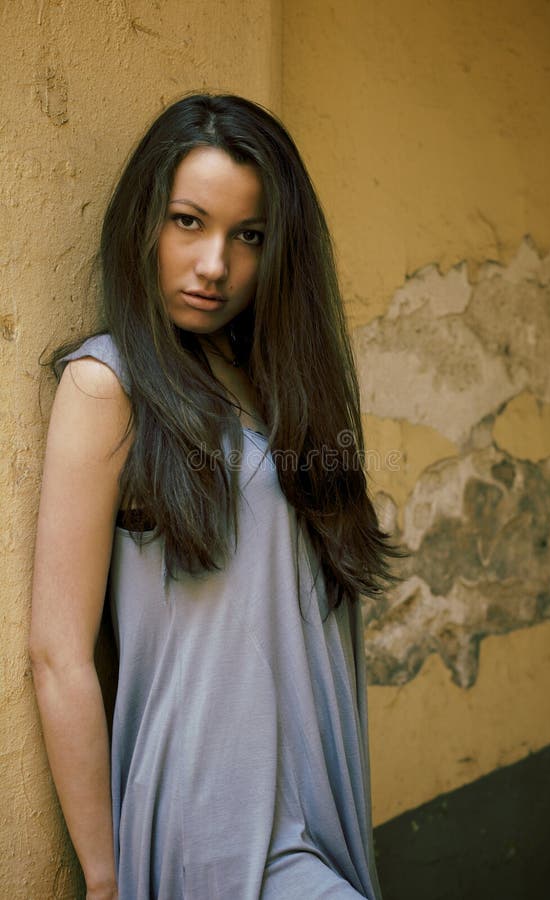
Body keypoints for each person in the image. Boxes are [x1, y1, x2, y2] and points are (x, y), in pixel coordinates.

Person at [30, 94, 395, 900]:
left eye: (248, 235)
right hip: (216, 822)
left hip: (318, 798)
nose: (213, 265)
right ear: (142, 223)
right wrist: (103, 879)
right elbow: (59, 655)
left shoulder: (277, 387)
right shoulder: (107, 384)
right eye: (188, 222)